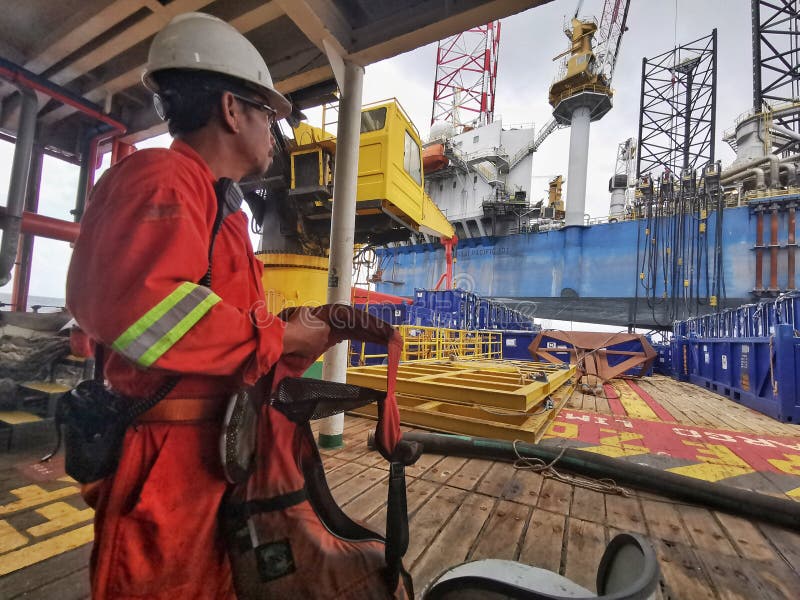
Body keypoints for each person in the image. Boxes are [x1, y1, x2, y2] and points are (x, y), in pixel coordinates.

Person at [66, 12, 330, 599]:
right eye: (268, 115)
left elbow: (213, 328)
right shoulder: (162, 180)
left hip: (213, 459)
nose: (274, 134)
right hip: (166, 463)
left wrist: (295, 340)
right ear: (232, 110)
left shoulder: (223, 213)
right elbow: (145, 313)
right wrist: (278, 340)